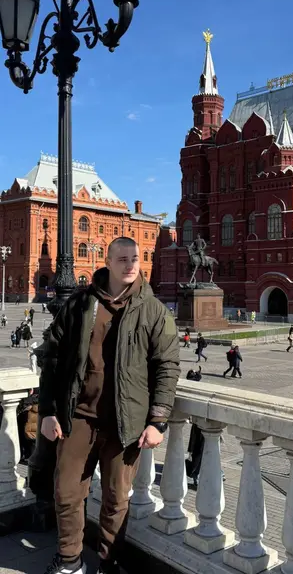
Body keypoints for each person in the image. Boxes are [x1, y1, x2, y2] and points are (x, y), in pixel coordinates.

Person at [38, 237, 180, 574]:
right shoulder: (81, 304)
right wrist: (47, 410)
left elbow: (167, 366)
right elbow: (52, 358)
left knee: (116, 498)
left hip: (125, 422)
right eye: (122, 259)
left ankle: (108, 562)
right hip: (77, 417)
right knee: (67, 492)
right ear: (108, 261)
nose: (130, 265)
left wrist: (158, 419)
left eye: (135, 258)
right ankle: (70, 561)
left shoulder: (153, 310)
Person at [17, 388, 39, 463]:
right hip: (27, 416)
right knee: (26, 438)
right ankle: (27, 456)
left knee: (29, 439)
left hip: (30, 416)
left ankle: (29, 457)